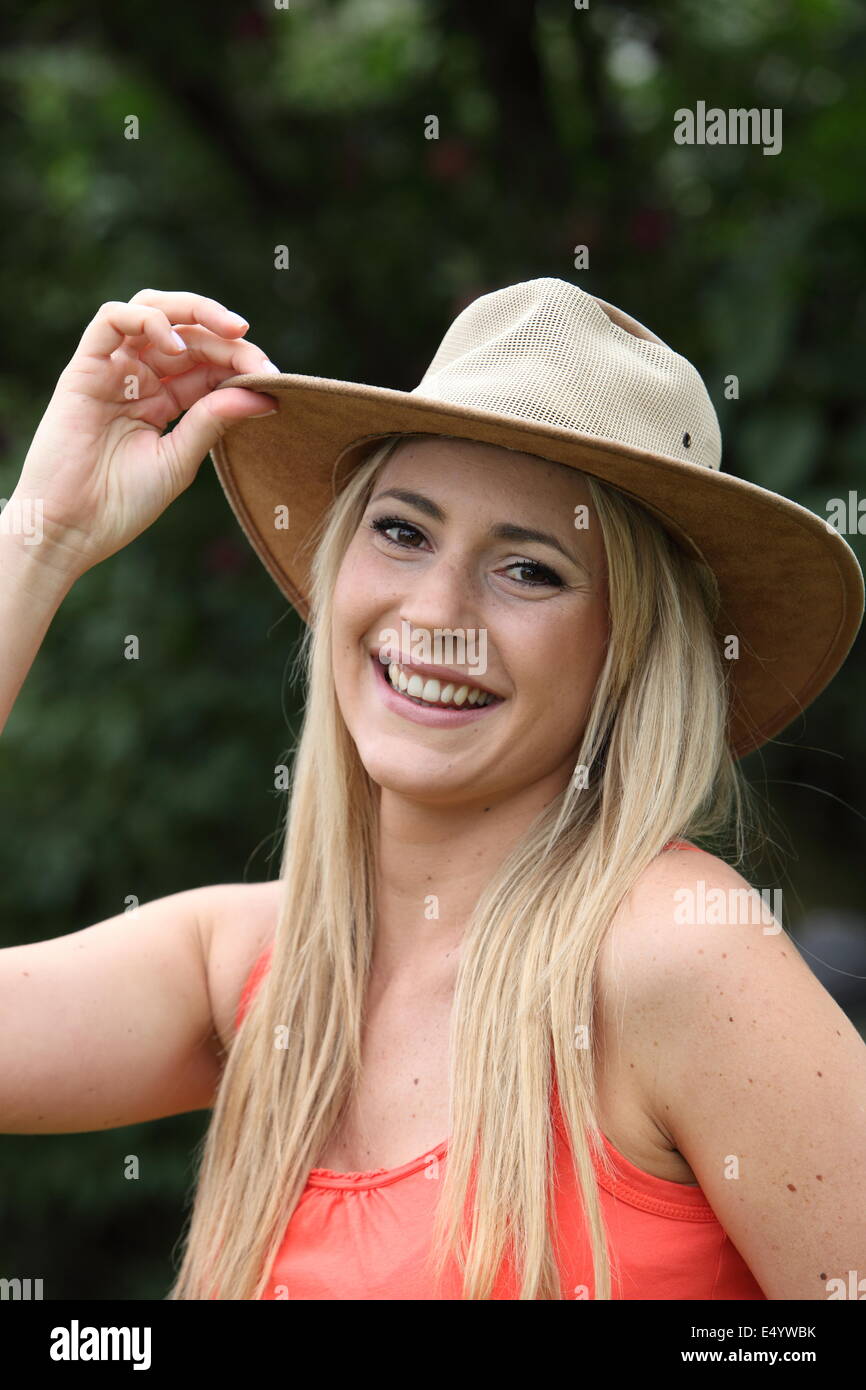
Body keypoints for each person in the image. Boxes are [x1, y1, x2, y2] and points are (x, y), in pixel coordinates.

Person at [2, 281, 864, 1301]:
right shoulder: (253, 971)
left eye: (529, 570)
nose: (437, 612)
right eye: (403, 532)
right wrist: (40, 535)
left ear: (626, 654)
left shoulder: (676, 949)